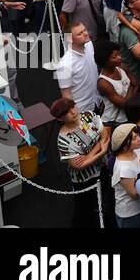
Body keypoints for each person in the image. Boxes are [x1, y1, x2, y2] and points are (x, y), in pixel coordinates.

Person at [52, 96, 109, 228]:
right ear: (60, 119)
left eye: (73, 107)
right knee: (84, 210)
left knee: (104, 199)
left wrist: (89, 155)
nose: (73, 111)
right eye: (66, 111)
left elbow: (105, 136)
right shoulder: (63, 140)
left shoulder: (88, 116)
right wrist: (101, 151)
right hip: (85, 180)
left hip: (102, 168)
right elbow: (79, 165)